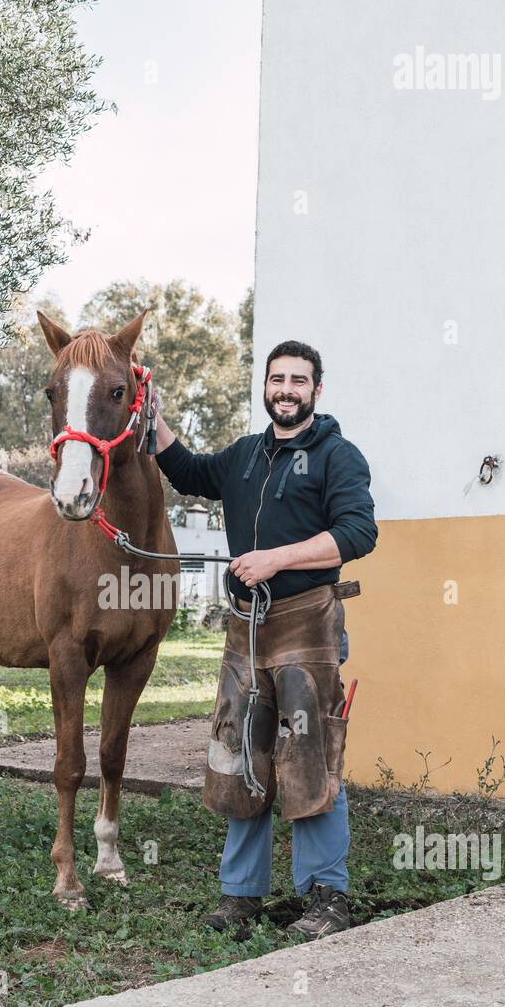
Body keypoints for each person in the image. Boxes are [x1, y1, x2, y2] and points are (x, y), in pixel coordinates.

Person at [153, 341, 377, 938]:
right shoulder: (247, 456)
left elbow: (358, 533)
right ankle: (240, 897)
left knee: (310, 756)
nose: (286, 389)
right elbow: (190, 472)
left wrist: (276, 559)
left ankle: (327, 896)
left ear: (316, 390)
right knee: (238, 754)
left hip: (309, 624)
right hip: (244, 629)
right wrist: (152, 417)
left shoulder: (337, 456)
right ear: (266, 387)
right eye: (277, 379)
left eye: (298, 381)